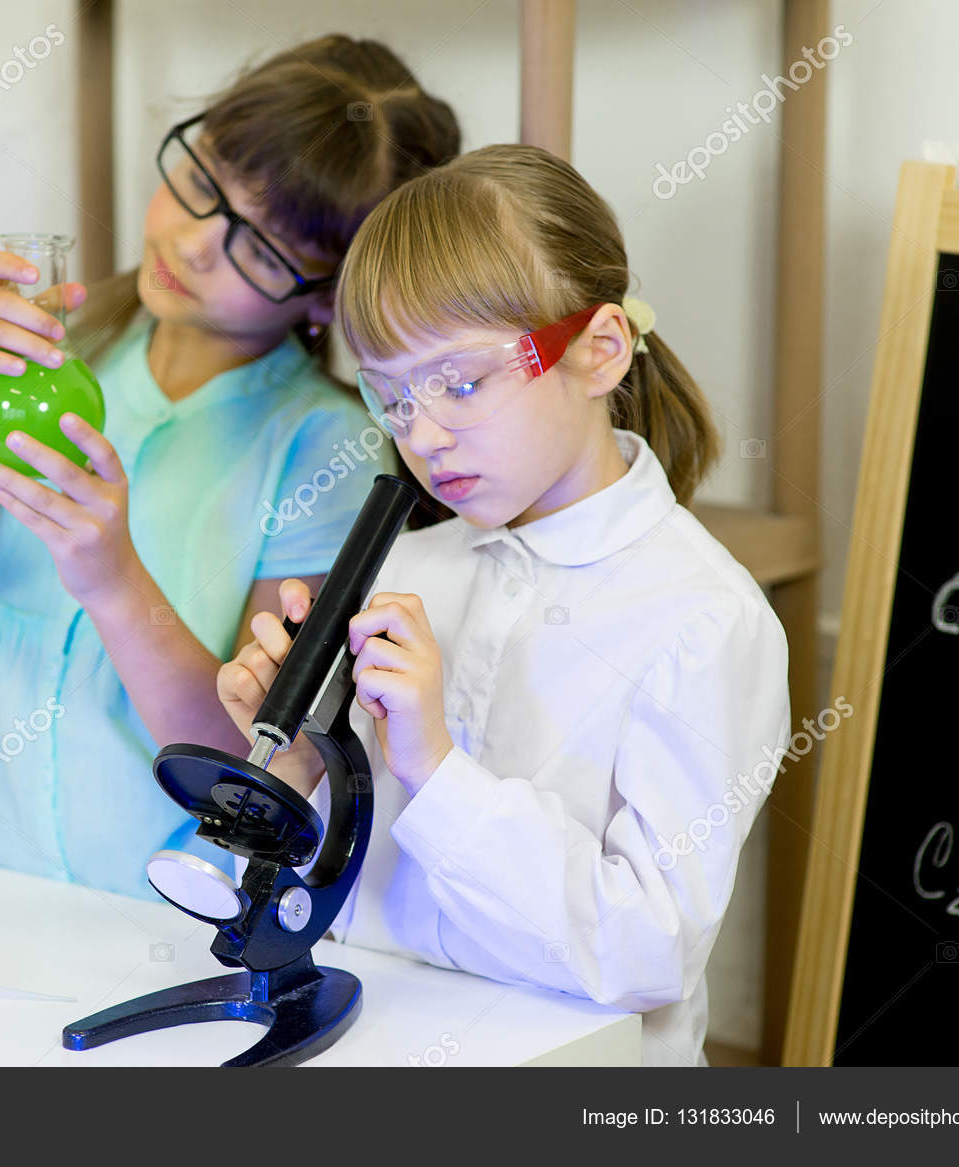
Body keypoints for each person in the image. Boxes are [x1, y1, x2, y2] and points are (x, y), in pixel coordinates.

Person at [0, 36, 460, 900]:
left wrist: (113, 579)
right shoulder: (68, 361)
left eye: (262, 251)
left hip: (164, 930)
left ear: (326, 293)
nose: (196, 244)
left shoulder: (325, 445)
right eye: (200, 185)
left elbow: (253, 755)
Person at [217, 144, 791, 1066]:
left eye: (462, 381)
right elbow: (355, 912)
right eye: (392, 396)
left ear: (599, 350)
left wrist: (438, 768)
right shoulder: (411, 565)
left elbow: (647, 949)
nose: (425, 434)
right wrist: (294, 775)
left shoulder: (703, 618)